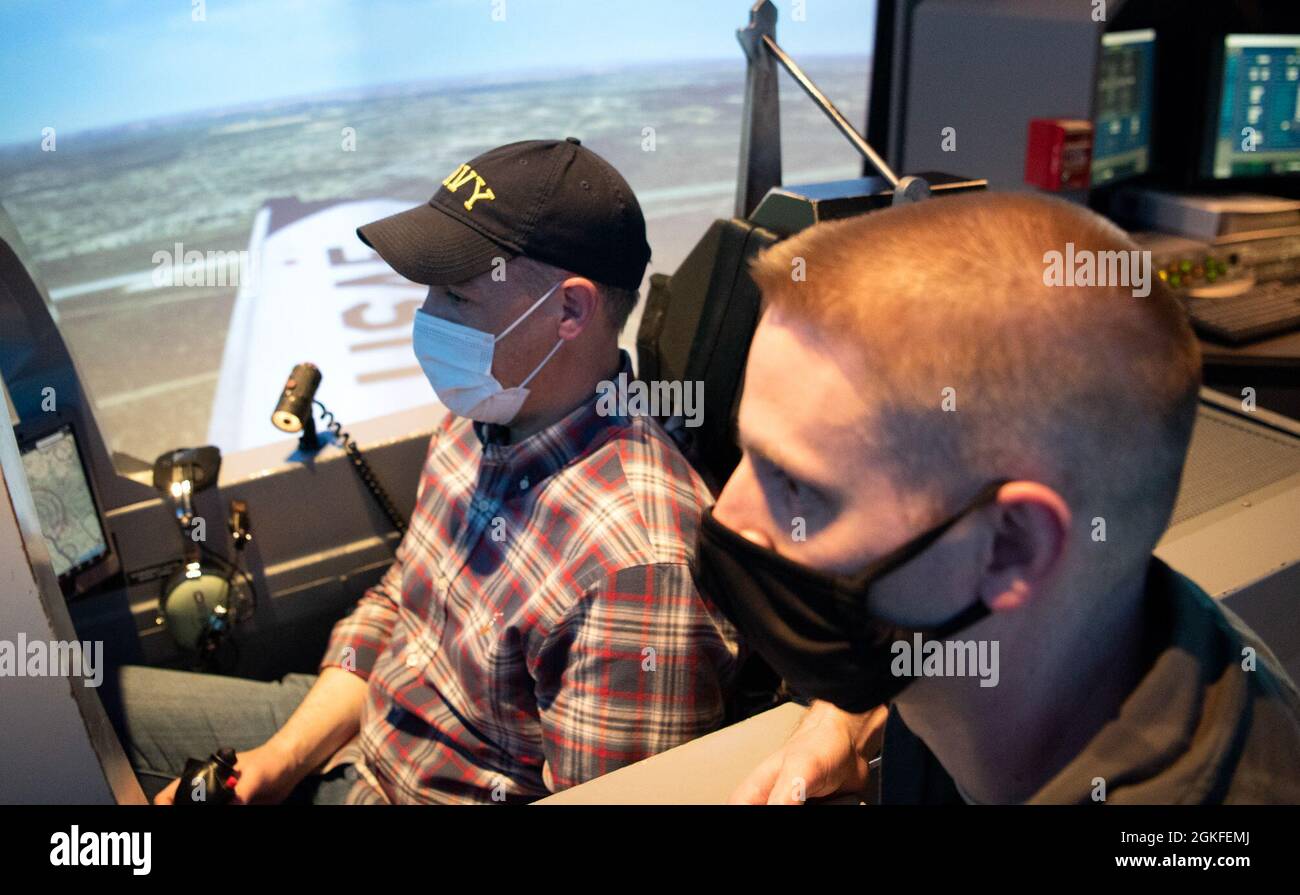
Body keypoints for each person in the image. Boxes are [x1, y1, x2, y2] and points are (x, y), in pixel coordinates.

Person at [109, 138, 739, 804]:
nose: (428, 317)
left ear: (570, 311)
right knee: (88, 706)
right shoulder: (480, 418)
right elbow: (399, 604)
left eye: (458, 297)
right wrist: (278, 762)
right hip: (359, 732)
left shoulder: (632, 577)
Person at [691, 191, 1300, 805]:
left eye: (795, 486)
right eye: (745, 454)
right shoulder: (1081, 626)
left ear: (1010, 545)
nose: (727, 515)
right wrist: (845, 712)